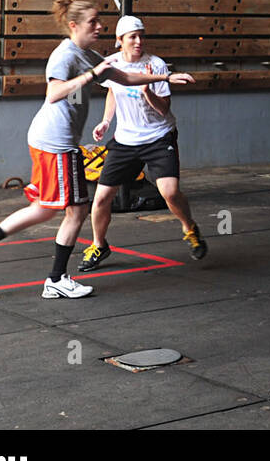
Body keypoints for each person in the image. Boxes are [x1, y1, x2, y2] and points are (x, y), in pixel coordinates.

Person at [0, 0, 194, 297]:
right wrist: (91, 76)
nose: (99, 26)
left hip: (47, 141)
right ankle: (56, 280)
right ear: (74, 25)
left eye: (100, 21)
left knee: (43, 209)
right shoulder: (65, 55)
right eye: (93, 21)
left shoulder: (88, 54)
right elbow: (54, 92)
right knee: (77, 210)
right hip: (56, 144)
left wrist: (165, 77)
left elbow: (126, 77)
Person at [79, 16, 207, 272]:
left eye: (141, 36)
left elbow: (163, 110)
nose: (138, 41)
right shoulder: (112, 64)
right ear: (120, 41)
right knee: (102, 198)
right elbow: (113, 91)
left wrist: (148, 90)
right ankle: (99, 244)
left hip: (158, 137)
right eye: (132, 37)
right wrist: (105, 121)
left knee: (169, 192)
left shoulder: (156, 65)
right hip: (125, 141)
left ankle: (189, 227)